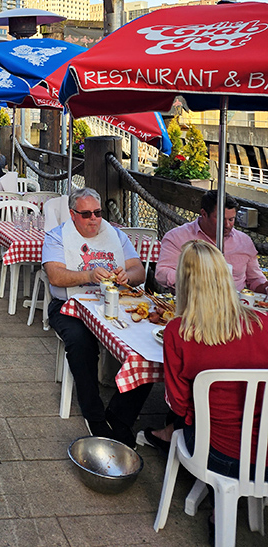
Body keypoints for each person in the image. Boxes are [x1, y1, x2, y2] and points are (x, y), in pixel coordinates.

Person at [156, 239, 268, 490]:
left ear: (184, 283)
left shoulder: (178, 332)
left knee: (184, 423)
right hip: (265, 454)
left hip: (219, 455)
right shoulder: (263, 323)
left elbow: (178, 405)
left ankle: (219, 504)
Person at [43, 187, 149, 445]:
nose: (94, 219)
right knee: (82, 343)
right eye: (86, 214)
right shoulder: (56, 237)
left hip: (115, 302)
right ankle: (94, 415)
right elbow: (55, 276)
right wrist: (88, 275)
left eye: (98, 213)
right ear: (72, 214)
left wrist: (127, 276)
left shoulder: (116, 235)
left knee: (147, 344)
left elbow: (139, 270)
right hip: (68, 305)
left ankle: (120, 416)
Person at [156, 190, 268, 295]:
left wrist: (265, 287)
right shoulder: (177, 237)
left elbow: (255, 279)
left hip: (235, 303)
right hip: (192, 300)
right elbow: (162, 272)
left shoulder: (244, 241)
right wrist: (192, 279)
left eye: (231, 219)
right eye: (220, 219)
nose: (227, 225)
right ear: (204, 214)